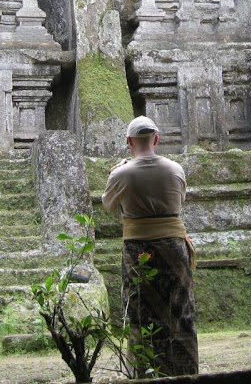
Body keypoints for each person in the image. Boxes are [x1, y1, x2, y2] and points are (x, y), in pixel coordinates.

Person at [102, 115, 198, 377]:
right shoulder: (174, 169)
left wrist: (118, 170)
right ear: (157, 139)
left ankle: (143, 374)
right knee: (180, 312)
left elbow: (108, 204)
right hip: (175, 247)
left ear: (129, 142)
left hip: (139, 250)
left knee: (140, 312)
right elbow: (179, 202)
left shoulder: (122, 173)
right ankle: (185, 372)